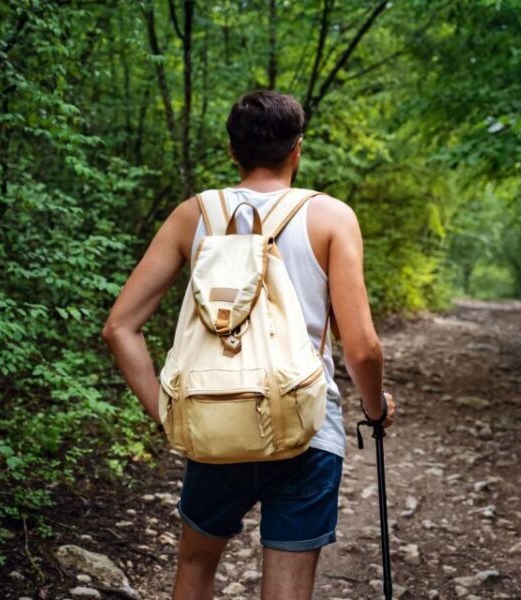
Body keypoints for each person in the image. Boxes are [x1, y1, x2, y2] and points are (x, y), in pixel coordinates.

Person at [102, 89, 395, 600]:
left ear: (232, 151)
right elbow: (362, 349)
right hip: (307, 426)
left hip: (214, 417)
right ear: (297, 149)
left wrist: (170, 414)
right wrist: (375, 410)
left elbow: (119, 328)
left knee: (195, 565)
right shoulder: (330, 217)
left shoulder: (193, 215)